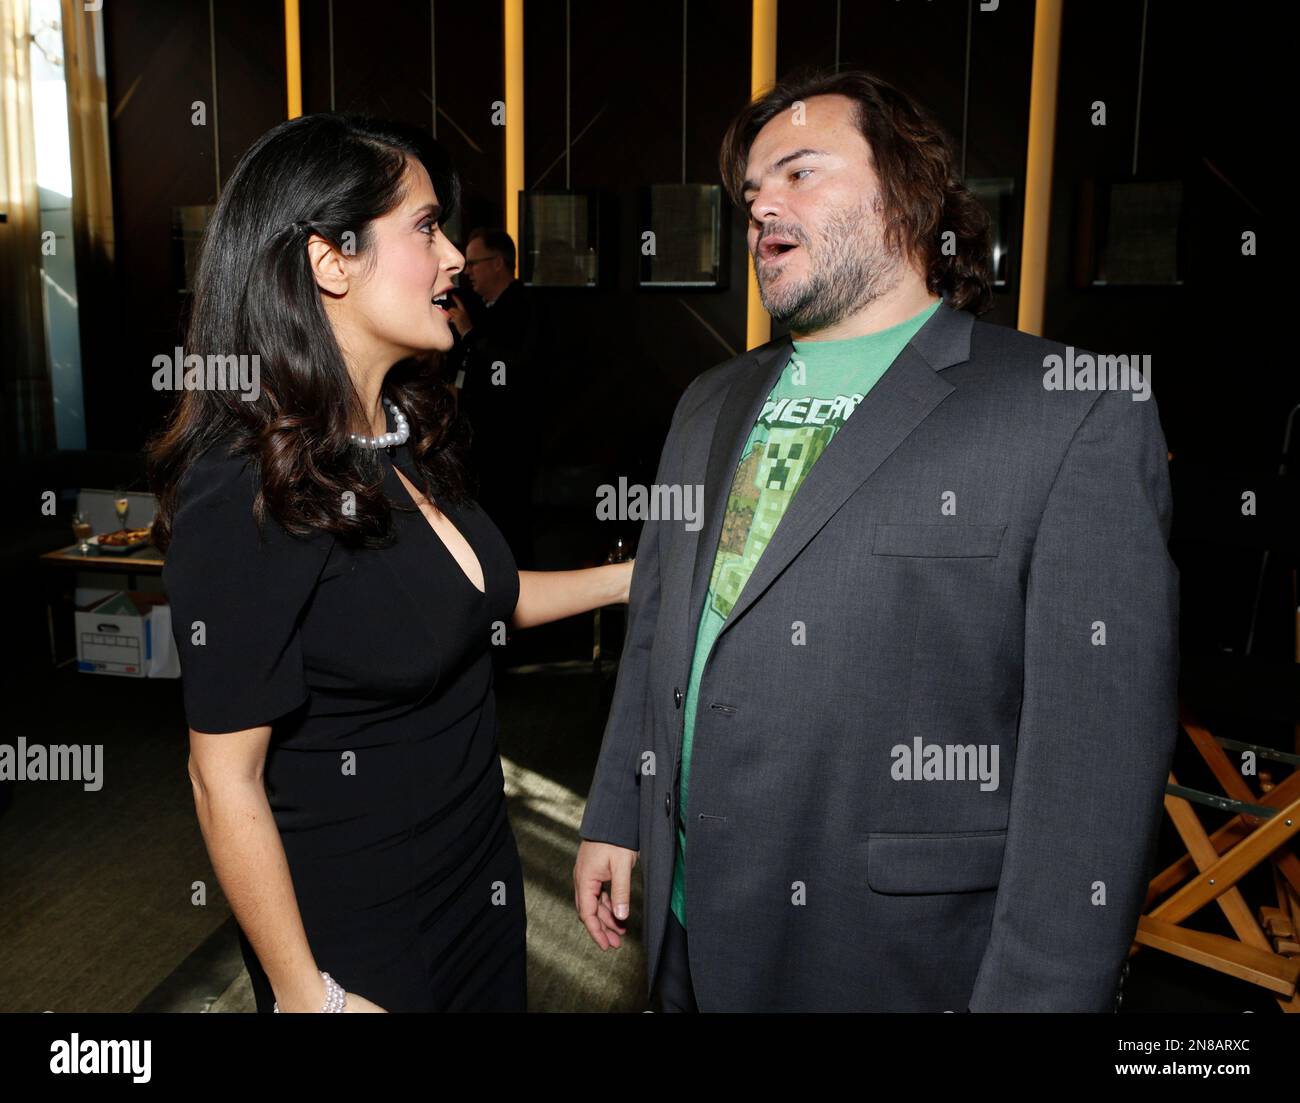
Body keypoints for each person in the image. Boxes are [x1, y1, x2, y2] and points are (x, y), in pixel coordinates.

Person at [573, 68, 1179, 1012]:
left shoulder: (1071, 406)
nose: (761, 203)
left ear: (909, 191)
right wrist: (617, 810)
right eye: (750, 193)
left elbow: (1094, 764)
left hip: (889, 956)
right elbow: (659, 626)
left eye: (799, 172)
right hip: (687, 933)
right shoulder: (707, 400)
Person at [149, 113, 632, 1013]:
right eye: (424, 227)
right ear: (332, 262)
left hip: (476, 883)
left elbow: (483, 599)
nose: (453, 257)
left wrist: (641, 575)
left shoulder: (401, 440)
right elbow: (222, 778)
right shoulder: (247, 488)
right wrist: (310, 998)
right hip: (364, 934)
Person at [444, 228, 547, 570]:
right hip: (482, 436)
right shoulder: (485, 308)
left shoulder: (524, 307)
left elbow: (516, 367)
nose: (467, 270)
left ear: (498, 264)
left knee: (509, 521)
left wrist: (470, 333)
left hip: (509, 437)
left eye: (474, 263)